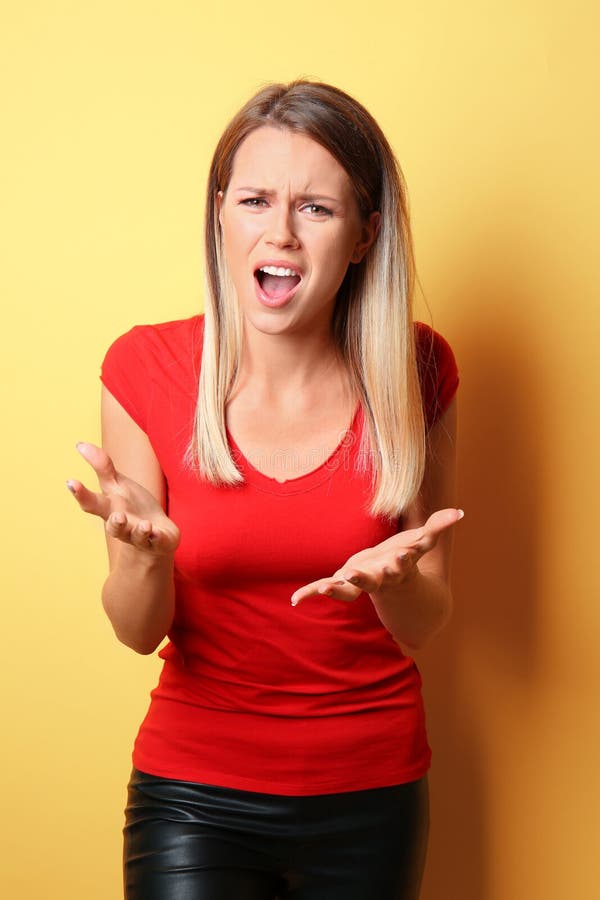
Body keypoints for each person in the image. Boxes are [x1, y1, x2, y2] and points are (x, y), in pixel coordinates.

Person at [68, 80, 462, 900]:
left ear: (364, 236)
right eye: (254, 199)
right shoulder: (146, 369)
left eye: (316, 208)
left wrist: (391, 587)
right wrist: (143, 560)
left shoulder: (416, 371)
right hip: (193, 797)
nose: (278, 232)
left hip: (372, 791)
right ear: (221, 214)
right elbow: (137, 634)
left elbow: (427, 619)